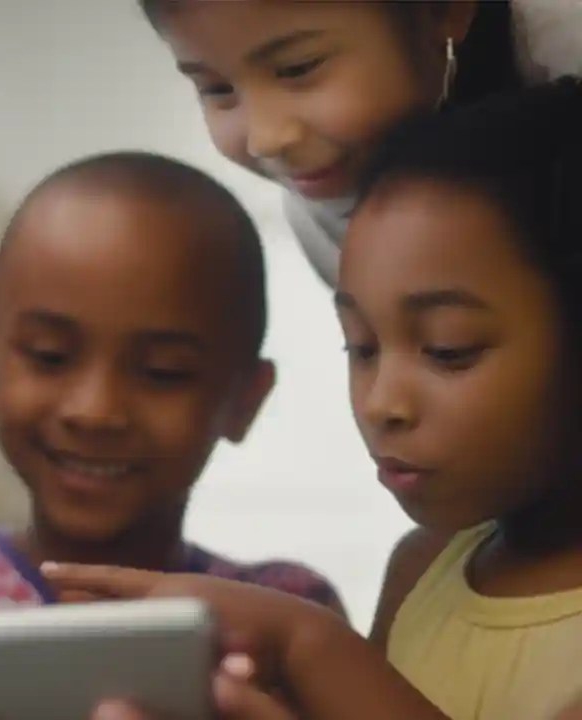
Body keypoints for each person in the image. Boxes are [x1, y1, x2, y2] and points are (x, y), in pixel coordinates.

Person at [43, 78, 582, 720]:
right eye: (361, 347)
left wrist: (307, 642)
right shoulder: (421, 570)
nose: (382, 403)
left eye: (447, 349)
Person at [0, 152, 342, 617]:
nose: (95, 410)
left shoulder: (284, 616)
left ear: (245, 400)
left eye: (162, 372)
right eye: (50, 356)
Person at [140, 0, 580, 286]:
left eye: (298, 68)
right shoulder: (324, 211)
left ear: (444, 10)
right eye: (217, 89)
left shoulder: (566, 44)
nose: (266, 139)